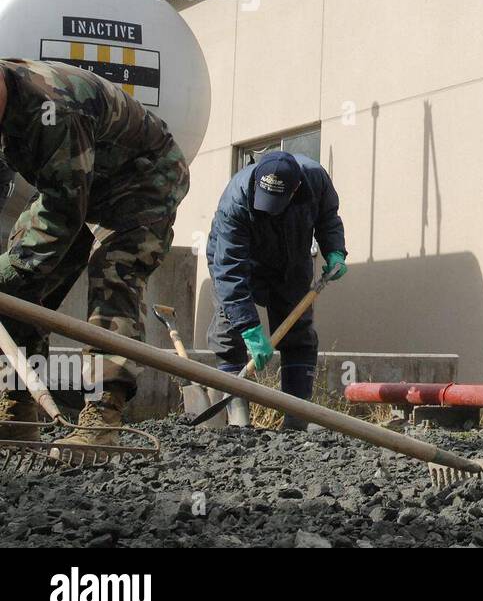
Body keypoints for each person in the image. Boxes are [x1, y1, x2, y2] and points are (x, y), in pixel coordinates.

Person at [0, 58, 189, 447]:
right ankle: (18, 408)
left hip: (145, 177)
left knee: (115, 269)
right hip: (75, 178)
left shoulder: (53, 106)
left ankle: (103, 416)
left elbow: (65, 210)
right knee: (21, 284)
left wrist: (8, 272)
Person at [206, 150, 346, 429]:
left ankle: (296, 419)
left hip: (291, 260)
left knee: (298, 333)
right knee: (229, 327)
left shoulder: (316, 180)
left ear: (295, 190)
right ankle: (237, 418)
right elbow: (229, 271)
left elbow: (328, 217)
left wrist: (335, 251)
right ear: (257, 182)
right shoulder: (236, 200)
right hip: (238, 259)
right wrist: (248, 326)